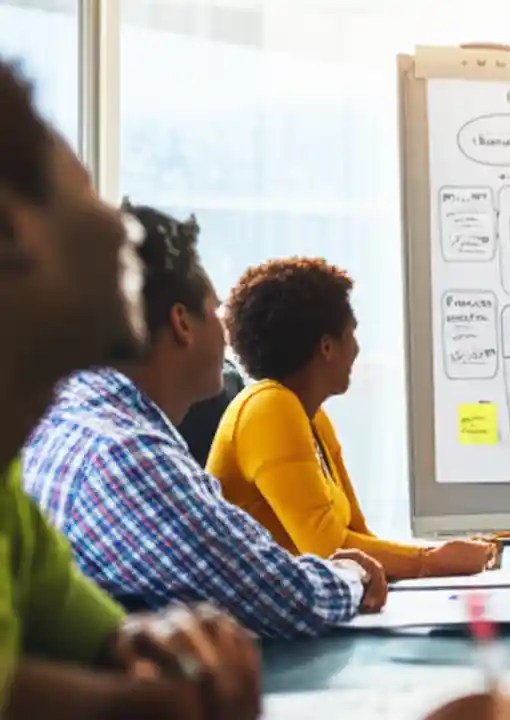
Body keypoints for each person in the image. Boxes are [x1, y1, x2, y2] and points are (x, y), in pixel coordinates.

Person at [0, 59, 257, 718]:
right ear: (8, 230)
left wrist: (146, 645)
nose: (125, 226)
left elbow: (104, 640)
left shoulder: (9, 492)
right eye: (82, 189)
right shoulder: (115, 447)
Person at [23, 204, 388, 639]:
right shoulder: (126, 453)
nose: (228, 335)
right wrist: (350, 573)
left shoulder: (70, 415)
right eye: (215, 313)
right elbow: (284, 600)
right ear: (182, 323)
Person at [209, 257, 493, 580]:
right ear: (327, 347)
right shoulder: (269, 408)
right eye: (351, 333)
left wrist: (441, 556)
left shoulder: (312, 417)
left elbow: (358, 533)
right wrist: (433, 560)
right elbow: (330, 552)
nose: (357, 349)